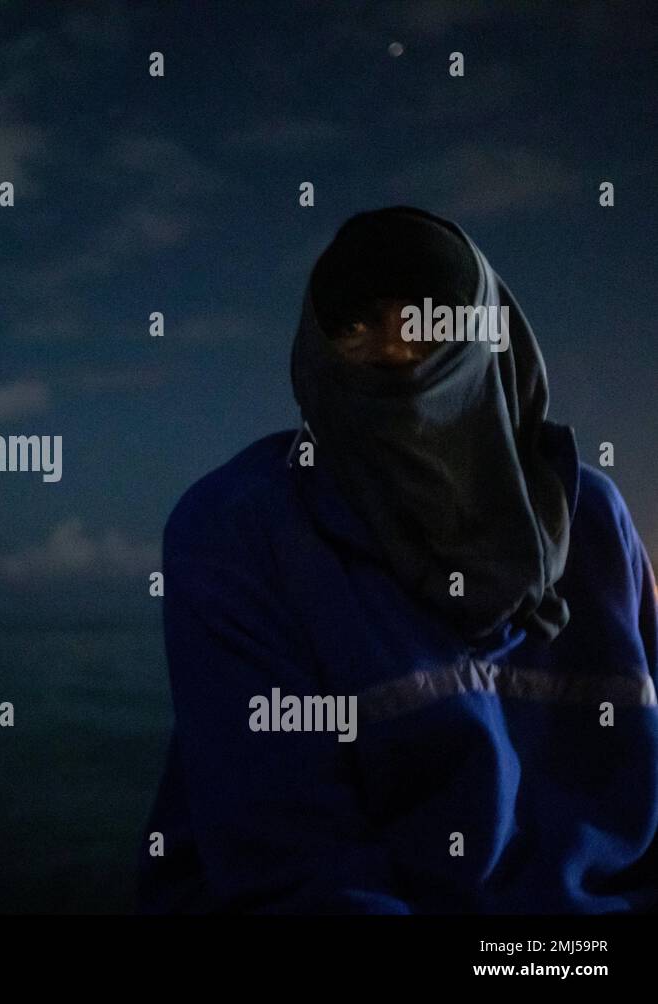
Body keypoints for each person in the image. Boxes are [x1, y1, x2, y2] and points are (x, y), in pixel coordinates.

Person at [137, 206, 658, 913]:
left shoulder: (592, 520)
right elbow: (294, 875)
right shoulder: (240, 531)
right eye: (355, 326)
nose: (394, 351)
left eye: (432, 321)